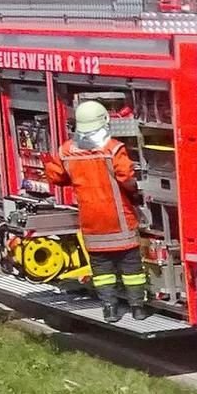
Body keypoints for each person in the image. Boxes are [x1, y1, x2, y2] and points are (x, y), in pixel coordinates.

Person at [44, 99, 146, 323]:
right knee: (132, 268)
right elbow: (127, 178)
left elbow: (55, 177)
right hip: (119, 220)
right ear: (104, 121)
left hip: (92, 223)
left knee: (102, 270)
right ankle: (138, 308)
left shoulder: (66, 151)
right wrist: (136, 192)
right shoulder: (114, 148)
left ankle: (109, 309)